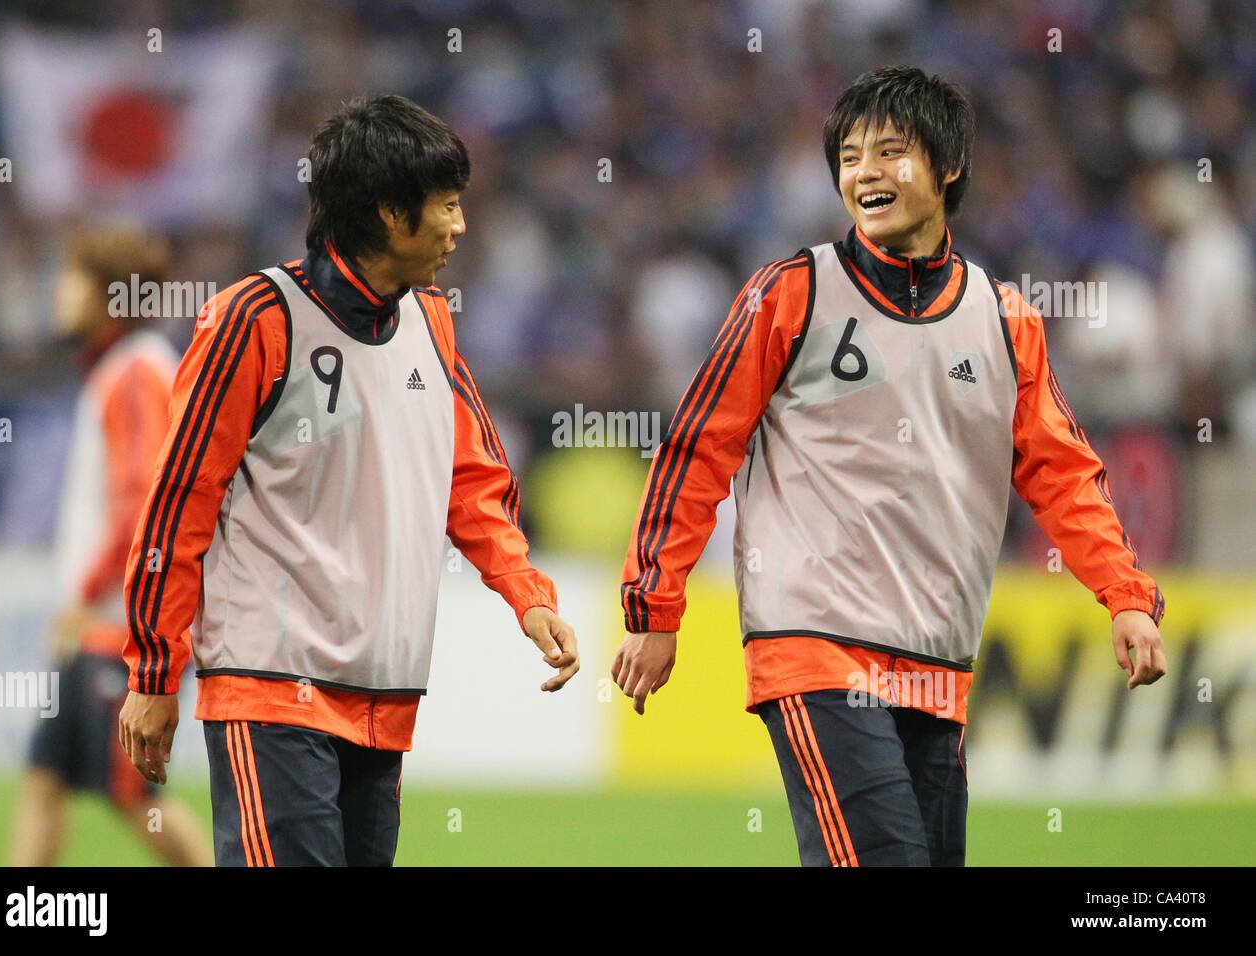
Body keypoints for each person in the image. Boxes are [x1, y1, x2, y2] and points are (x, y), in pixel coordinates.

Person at [613, 66, 1167, 867]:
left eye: (890, 152)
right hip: (815, 644)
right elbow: (697, 450)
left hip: (939, 664)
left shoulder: (1005, 320)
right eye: (849, 156)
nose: (865, 173)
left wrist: (1125, 596)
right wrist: (654, 610)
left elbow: (1062, 472)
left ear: (946, 167)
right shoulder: (789, 294)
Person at [117, 95, 579, 866]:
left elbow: (473, 480)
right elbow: (178, 503)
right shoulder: (254, 319)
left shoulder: (432, 323)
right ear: (391, 213)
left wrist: (527, 596)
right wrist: (155, 668)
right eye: (448, 206)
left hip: (383, 696)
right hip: (270, 684)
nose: (461, 228)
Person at [9, 225, 213, 866]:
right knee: (44, 781)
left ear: (106, 292)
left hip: (119, 627)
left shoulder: (131, 372)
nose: (59, 292)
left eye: (71, 279)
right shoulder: (131, 367)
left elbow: (139, 505)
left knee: (134, 794)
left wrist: (84, 595)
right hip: (102, 626)